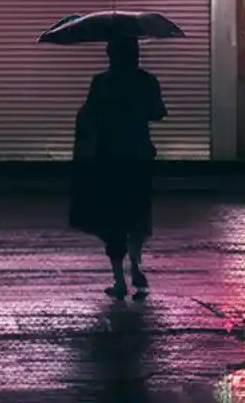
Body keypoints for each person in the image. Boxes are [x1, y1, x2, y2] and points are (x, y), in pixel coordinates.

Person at [69, 36, 167, 301]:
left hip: (109, 157)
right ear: (136, 55)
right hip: (138, 155)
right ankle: (136, 266)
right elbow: (159, 112)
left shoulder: (102, 82)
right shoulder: (147, 80)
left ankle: (118, 280)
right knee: (137, 213)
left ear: (110, 55)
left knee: (112, 217)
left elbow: (89, 114)